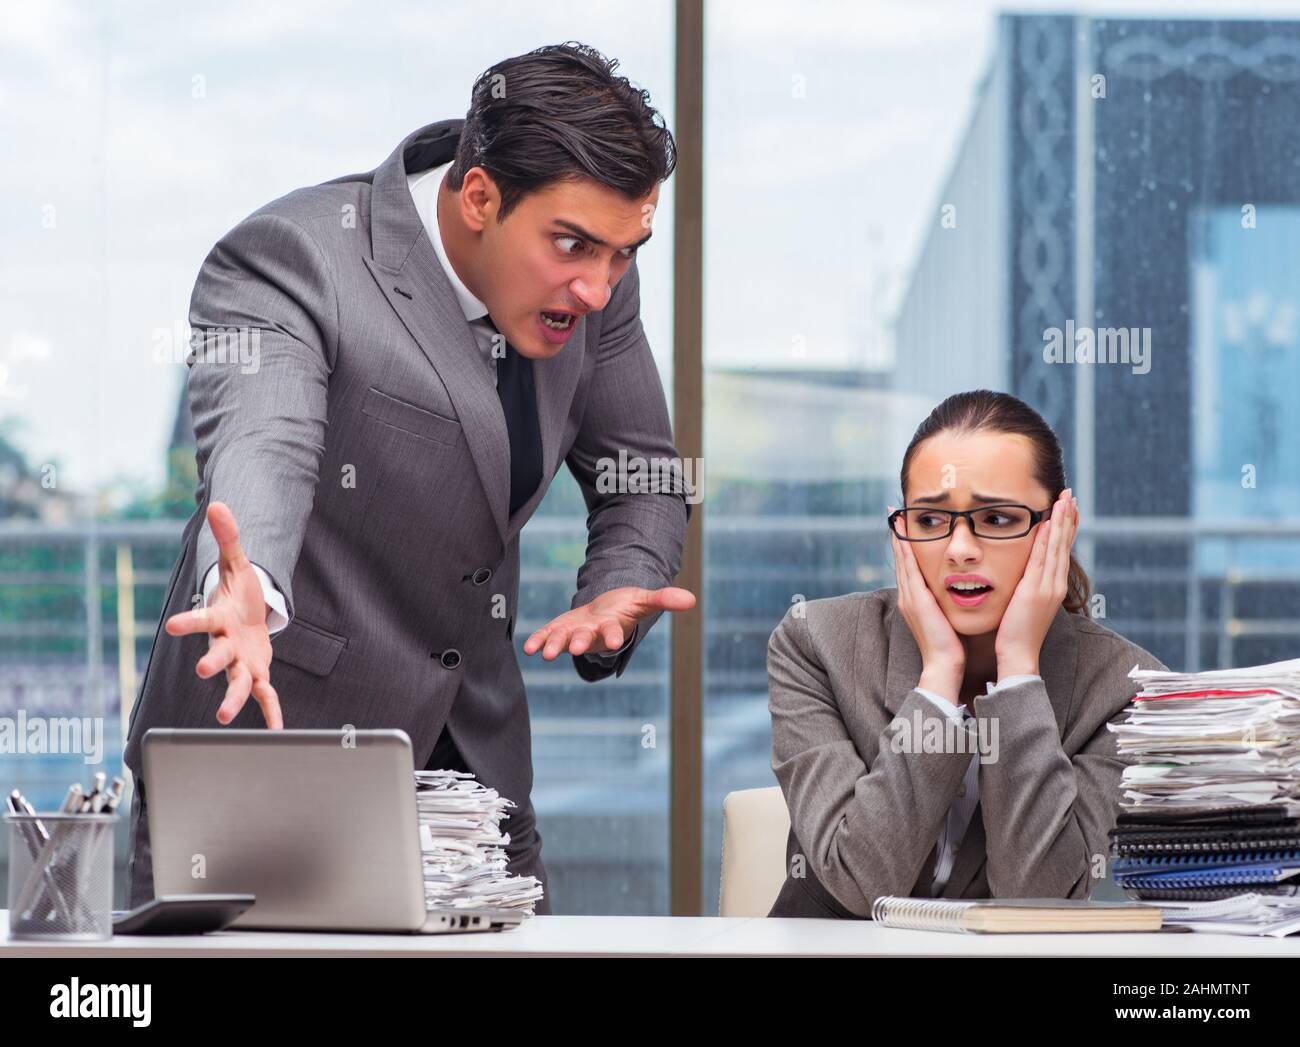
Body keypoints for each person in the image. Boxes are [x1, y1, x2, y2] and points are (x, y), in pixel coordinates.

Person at [123, 42, 695, 914]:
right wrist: (251, 583)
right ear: (479, 198)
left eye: (624, 252)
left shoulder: (602, 284)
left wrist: (621, 583)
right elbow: (264, 439)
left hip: (476, 778)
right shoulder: (295, 259)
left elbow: (643, 470)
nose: (595, 286)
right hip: (275, 754)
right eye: (572, 245)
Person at [766, 389, 1167, 918]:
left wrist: (1019, 671)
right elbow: (862, 883)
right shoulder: (814, 641)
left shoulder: (1130, 690)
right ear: (903, 531)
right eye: (931, 521)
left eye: (998, 519)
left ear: (1057, 529)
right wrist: (939, 677)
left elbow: (1037, 901)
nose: (959, 549)